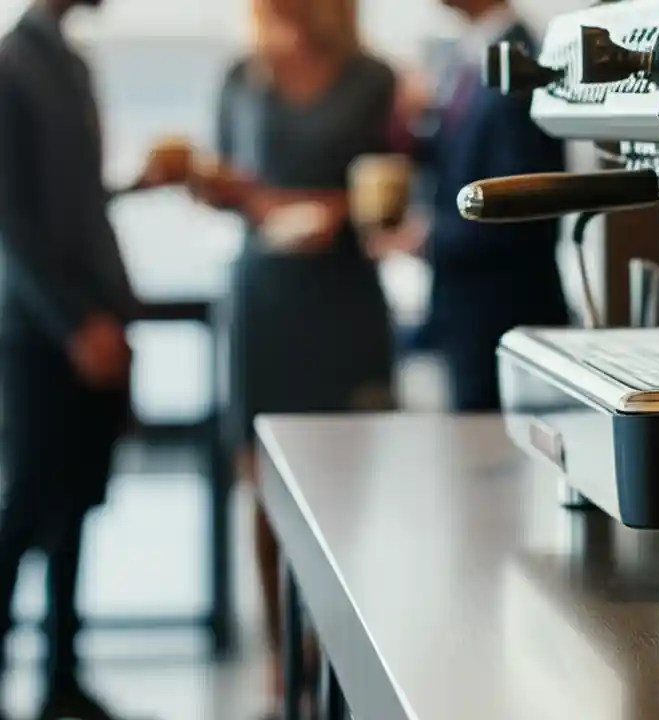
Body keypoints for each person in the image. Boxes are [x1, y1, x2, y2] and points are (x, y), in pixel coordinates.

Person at [187, 0, 400, 713]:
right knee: (262, 479)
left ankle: (336, 652)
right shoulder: (241, 76)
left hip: (342, 294)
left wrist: (339, 211)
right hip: (265, 296)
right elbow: (224, 179)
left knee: (350, 481)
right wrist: (224, 192)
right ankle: (280, 661)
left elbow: (397, 184)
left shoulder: (373, 78)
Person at [0, 1, 190, 718]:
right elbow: (12, 221)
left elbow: (70, 204)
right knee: (28, 505)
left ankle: (60, 679)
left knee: (75, 505)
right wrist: (76, 325)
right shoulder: (13, 66)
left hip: (96, 320)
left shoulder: (69, 64)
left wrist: (133, 185)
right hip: (44, 334)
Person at [392, 0, 569, 411]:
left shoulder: (523, 61)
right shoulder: (467, 54)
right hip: (466, 306)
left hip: (505, 309)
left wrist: (429, 237)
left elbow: (522, 202)